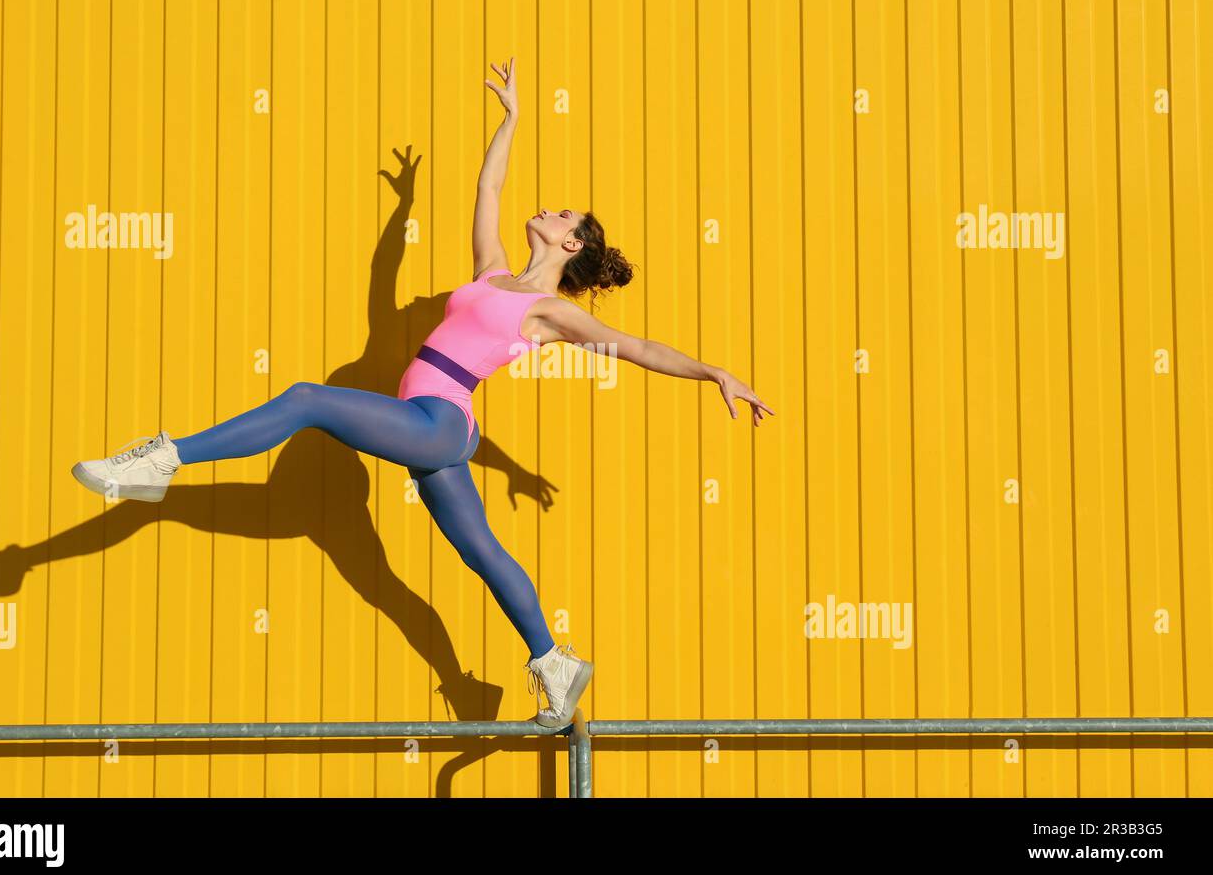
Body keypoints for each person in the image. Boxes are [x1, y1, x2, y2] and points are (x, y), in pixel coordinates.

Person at [72, 57, 773, 728]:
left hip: (437, 419)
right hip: (438, 425)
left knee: (308, 400)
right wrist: (511, 121)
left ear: (570, 247)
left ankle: (160, 461)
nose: (551, 211)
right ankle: (555, 662)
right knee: (482, 552)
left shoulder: (552, 314)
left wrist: (714, 373)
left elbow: (640, 348)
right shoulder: (493, 273)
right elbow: (487, 193)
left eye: (563, 216)